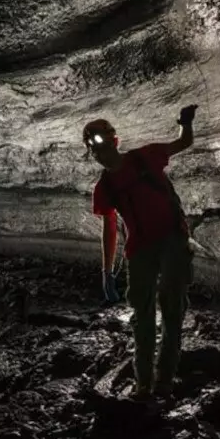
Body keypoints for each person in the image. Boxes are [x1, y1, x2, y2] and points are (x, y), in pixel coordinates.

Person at [83, 105, 198, 399]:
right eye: (92, 148)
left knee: (172, 311)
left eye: (100, 143)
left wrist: (185, 122)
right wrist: (107, 271)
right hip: (141, 249)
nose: (98, 152)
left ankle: (164, 380)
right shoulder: (104, 186)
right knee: (142, 316)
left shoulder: (144, 157)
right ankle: (144, 383)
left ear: (115, 141)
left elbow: (183, 143)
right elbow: (110, 228)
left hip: (172, 239)